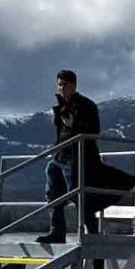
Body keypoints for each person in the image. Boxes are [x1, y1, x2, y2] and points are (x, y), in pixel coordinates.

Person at [37, 68, 101, 244]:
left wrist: (74, 125)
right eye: (59, 85)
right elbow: (61, 134)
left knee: (78, 195)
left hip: (79, 157)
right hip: (60, 156)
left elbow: (93, 132)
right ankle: (57, 231)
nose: (61, 88)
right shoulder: (61, 108)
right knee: (53, 192)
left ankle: (92, 232)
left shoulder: (87, 105)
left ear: (73, 85)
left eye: (64, 85)